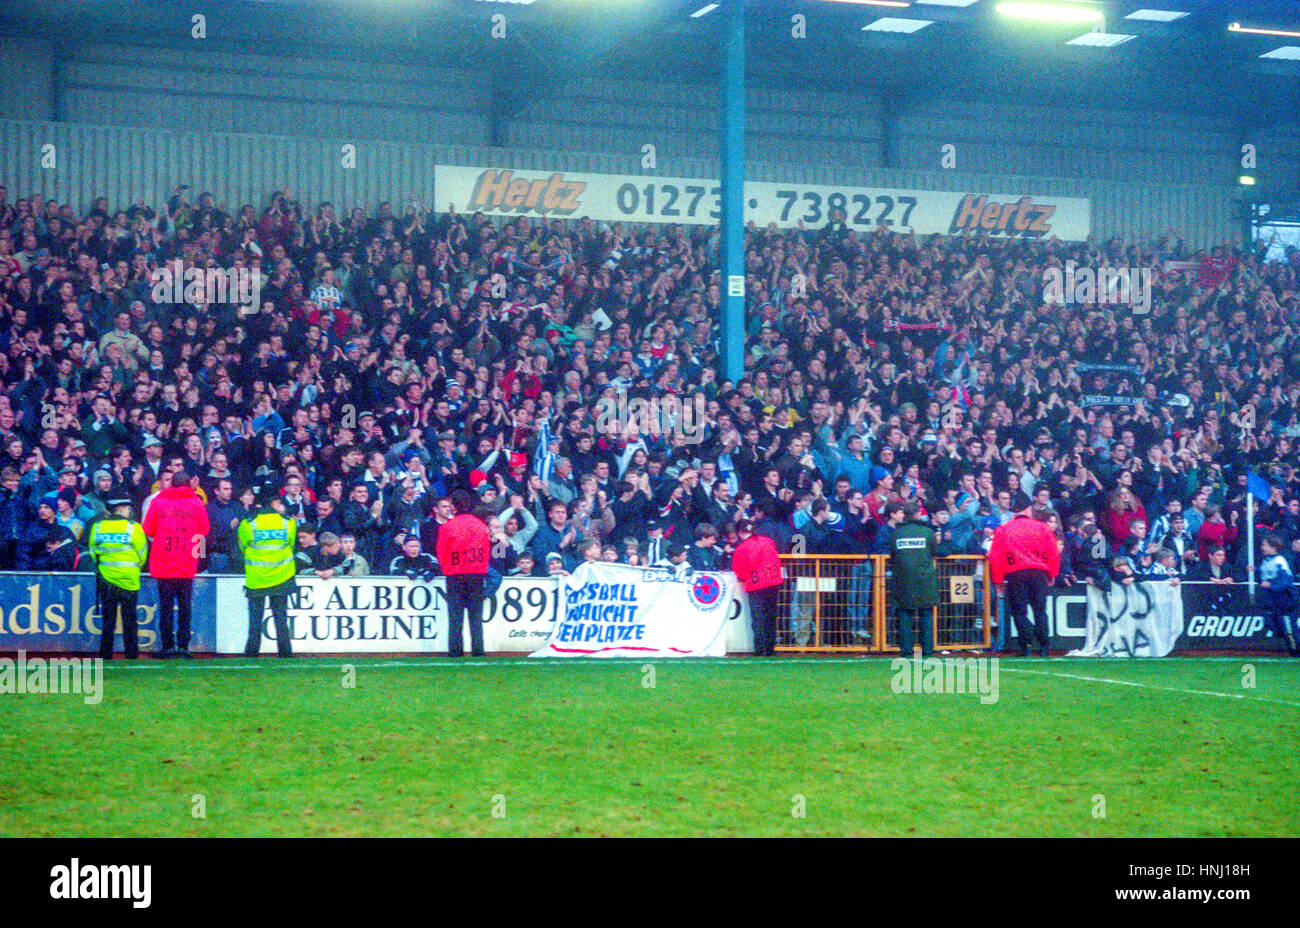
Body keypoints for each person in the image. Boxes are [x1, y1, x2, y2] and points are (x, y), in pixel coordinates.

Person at [141, 478, 209, 658]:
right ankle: (184, 646)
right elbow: (204, 530)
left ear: (172, 484)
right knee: (185, 606)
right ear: (188, 485)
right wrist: (197, 553)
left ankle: (168, 646)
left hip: (164, 561)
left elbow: (147, 529)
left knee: (166, 606)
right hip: (187, 562)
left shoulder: (158, 501)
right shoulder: (196, 502)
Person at [989, 507, 1060, 657]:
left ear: (1015, 515)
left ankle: (1026, 645)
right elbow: (1053, 551)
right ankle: (1044, 646)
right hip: (1038, 572)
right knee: (1040, 610)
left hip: (1016, 573)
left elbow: (995, 557)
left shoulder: (1004, 529)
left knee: (1019, 611)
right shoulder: (1042, 527)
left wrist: (998, 580)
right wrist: (1052, 573)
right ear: (1028, 514)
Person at [86, 495, 148, 661]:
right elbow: (142, 554)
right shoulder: (133, 527)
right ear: (121, 509)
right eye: (127, 507)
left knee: (108, 621)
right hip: (129, 580)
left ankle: (105, 655)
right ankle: (131, 655)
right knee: (130, 620)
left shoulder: (98, 527)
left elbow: (93, 553)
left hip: (106, 580)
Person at [237, 489, 298, 658]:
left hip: (257, 578)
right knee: (281, 619)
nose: (281, 505)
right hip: (282, 576)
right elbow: (292, 546)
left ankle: (251, 654)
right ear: (272, 503)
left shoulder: (248, 524)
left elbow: (242, 548)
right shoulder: (288, 522)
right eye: (279, 502)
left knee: (255, 621)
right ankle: (286, 654)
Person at [436, 489, 491, 658]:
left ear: (454, 506)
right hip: (476, 574)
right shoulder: (481, 526)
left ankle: (455, 652)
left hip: (455, 575)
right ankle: (478, 651)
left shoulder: (448, 527)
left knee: (455, 617)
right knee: (476, 617)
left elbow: (441, 552)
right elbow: (487, 551)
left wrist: (448, 569)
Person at [889, 500, 939, 659]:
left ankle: (906, 651)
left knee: (904, 615)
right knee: (926, 615)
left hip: (903, 581)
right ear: (918, 514)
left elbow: (893, 555)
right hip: (925, 580)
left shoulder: (896, 533)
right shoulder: (927, 533)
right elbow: (934, 552)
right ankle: (928, 651)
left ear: (905, 515)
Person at [731, 519, 783, 657]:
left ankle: (760, 648)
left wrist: (743, 577)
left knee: (758, 618)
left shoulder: (741, 548)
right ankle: (770, 647)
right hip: (773, 582)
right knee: (771, 617)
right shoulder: (767, 541)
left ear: (740, 532)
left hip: (756, 585)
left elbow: (740, 570)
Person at [1258, 535, 1298, 657]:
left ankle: (1295, 651)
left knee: (1289, 628)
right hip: (1272, 601)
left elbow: (1287, 580)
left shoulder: (1280, 560)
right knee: (1271, 624)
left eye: (1265, 545)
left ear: (1273, 547)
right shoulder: (1264, 561)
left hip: (1285, 601)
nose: (1262, 548)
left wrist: (1271, 584)